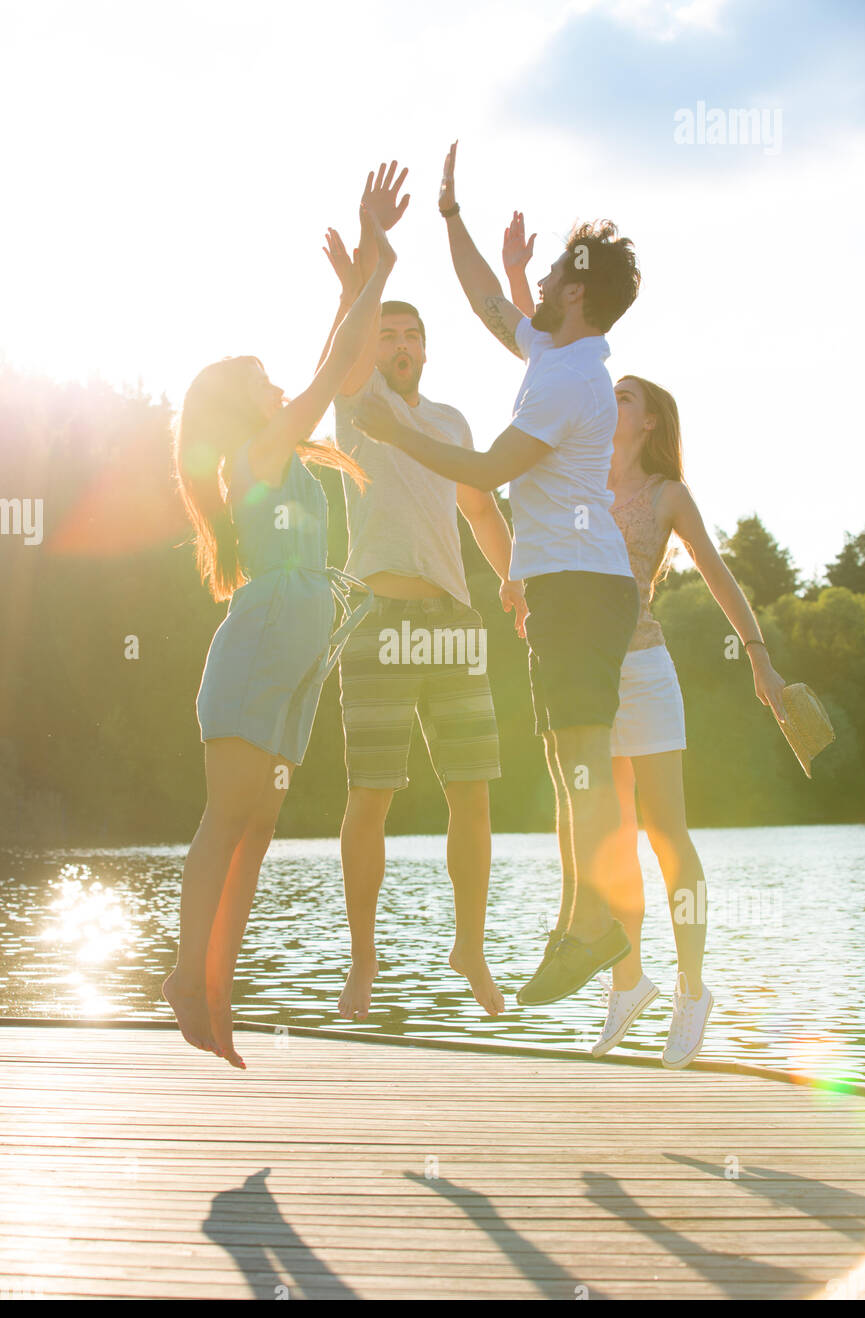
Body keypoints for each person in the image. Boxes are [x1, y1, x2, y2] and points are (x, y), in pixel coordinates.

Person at [354, 142, 642, 1008]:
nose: (540, 280)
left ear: (578, 291)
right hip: (564, 585)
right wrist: (452, 218)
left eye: (554, 271)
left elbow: (480, 476)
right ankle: (577, 922)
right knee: (567, 758)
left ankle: (599, 923)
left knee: (582, 755)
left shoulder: (569, 382)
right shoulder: (555, 356)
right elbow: (486, 302)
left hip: (583, 587)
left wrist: (397, 432)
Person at [502, 214, 788, 1065]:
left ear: (650, 422)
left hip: (645, 670)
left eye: (627, 396)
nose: (611, 396)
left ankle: (692, 987)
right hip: (585, 667)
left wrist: (762, 657)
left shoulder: (665, 493)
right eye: (612, 392)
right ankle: (628, 981)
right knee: (600, 830)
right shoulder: (578, 458)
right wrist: (523, 281)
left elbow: (722, 574)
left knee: (667, 835)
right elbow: (546, 356)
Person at [163, 205, 396, 1069]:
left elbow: (330, 366)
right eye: (264, 379)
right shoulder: (254, 456)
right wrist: (378, 270)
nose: (278, 387)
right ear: (244, 404)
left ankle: (216, 992)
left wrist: (350, 291)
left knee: (258, 831)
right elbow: (333, 370)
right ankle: (189, 978)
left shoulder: (282, 451)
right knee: (229, 819)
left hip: (297, 655)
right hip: (263, 642)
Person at [317, 162, 526, 1022]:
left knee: (471, 791)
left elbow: (481, 508)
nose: (398, 345)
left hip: (453, 625)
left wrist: (514, 581)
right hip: (377, 619)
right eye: (387, 334)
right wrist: (370, 265)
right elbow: (345, 348)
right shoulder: (357, 405)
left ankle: (469, 949)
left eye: (412, 336)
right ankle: (363, 963)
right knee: (372, 793)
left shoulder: (451, 425)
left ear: (428, 350)